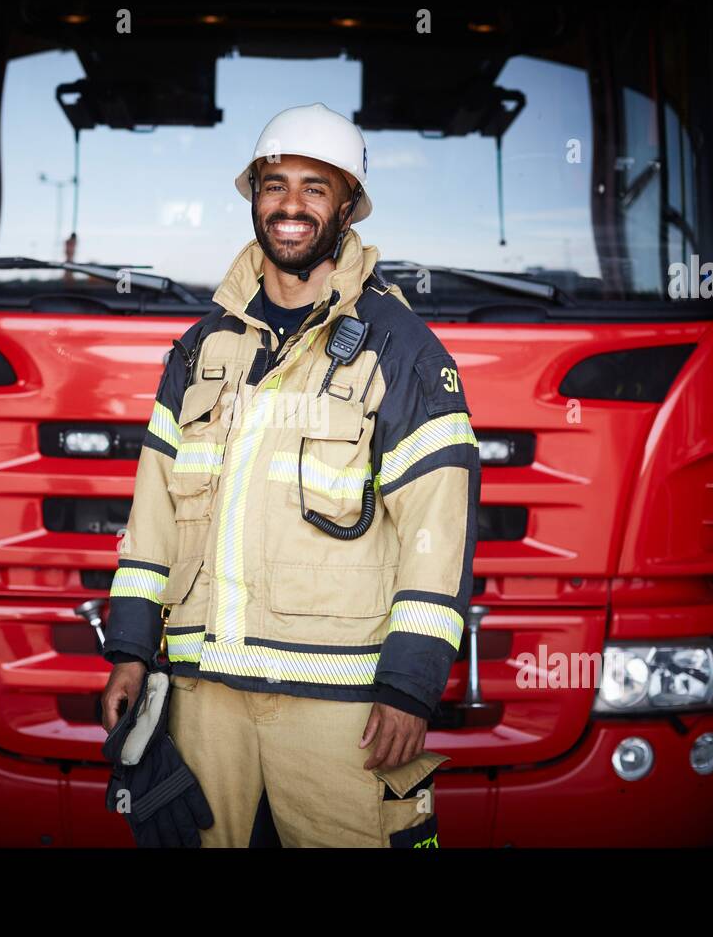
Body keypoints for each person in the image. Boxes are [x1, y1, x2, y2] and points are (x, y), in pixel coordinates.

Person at [100, 102, 479, 847]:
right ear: (254, 198)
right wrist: (129, 654)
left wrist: (410, 687)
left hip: (343, 711)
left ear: (346, 208)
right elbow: (150, 523)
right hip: (206, 701)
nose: (292, 206)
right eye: (275, 185)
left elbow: (438, 533)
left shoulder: (401, 350)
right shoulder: (199, 351)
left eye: (316, 187)